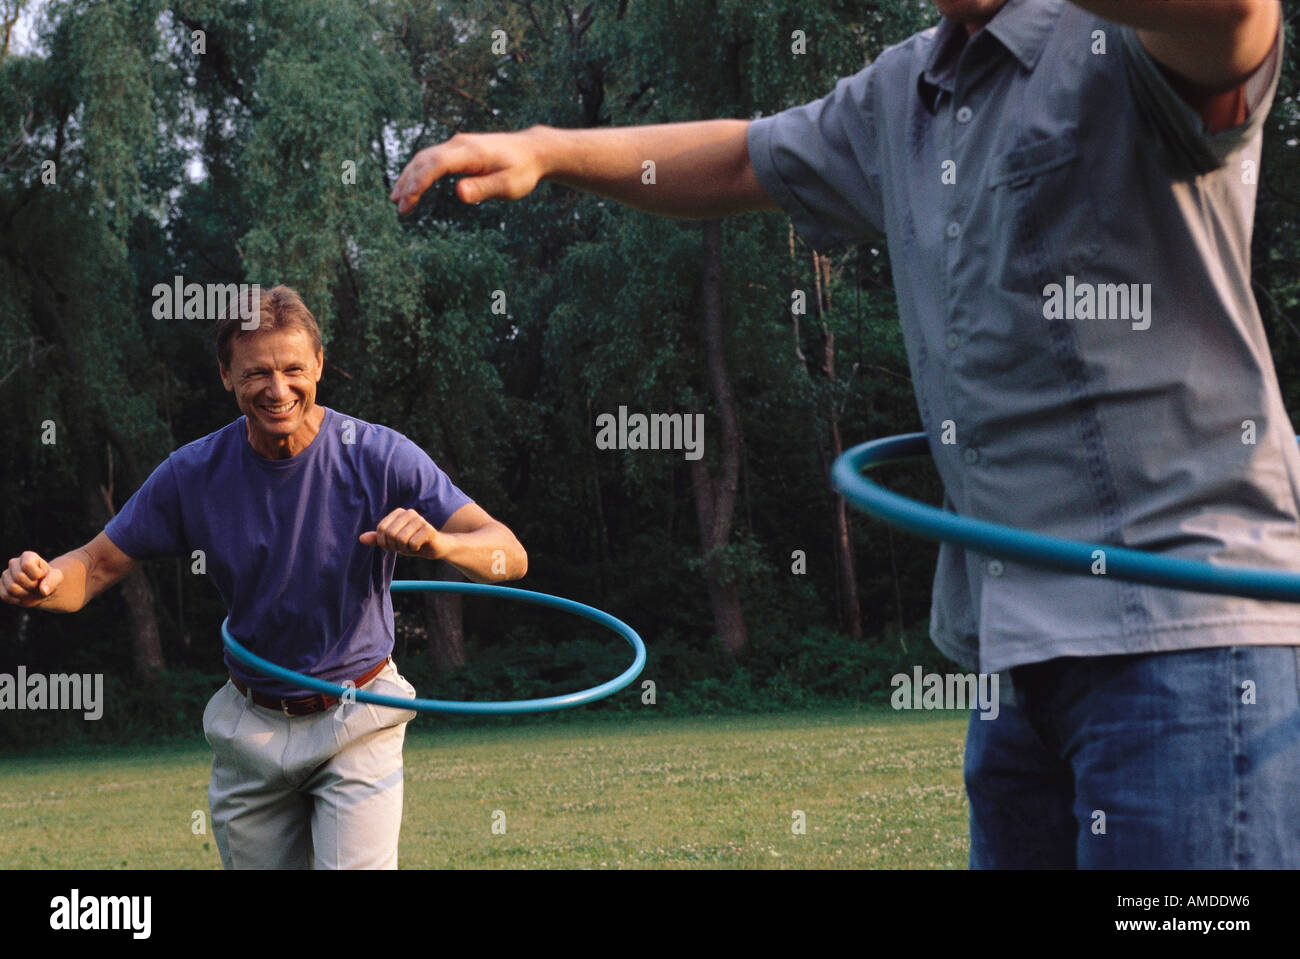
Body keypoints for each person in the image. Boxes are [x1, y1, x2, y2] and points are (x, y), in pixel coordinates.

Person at [388, 0, 1298, 868]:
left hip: (1193, 641)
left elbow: (1233, 21)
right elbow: (744, 158)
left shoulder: (1127, 42)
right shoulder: (905, 92)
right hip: (1012, 656)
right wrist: (547, 148)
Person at [1, 285, 527, 869]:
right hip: (250, 728)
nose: (278, 390)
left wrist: (442, 542)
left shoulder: (379, 456)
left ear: (320, 366)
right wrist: (44, 583)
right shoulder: (193, 474)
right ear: (226, 375)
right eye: (256, 374)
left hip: (359, 714)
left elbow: (508, 553)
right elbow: (93, 567)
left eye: (293, 369)